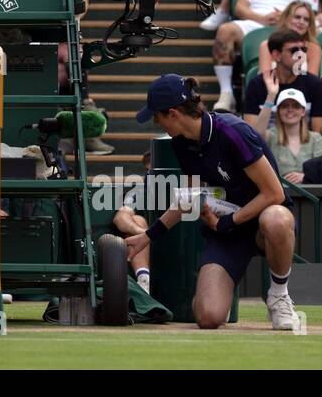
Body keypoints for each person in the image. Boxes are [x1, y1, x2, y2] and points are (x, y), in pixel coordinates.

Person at [126, 74, 300, 330]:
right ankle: (221, 292)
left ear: (173, 113)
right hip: (227, 231)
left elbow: (275, 194)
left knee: (276, 217)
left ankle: (278, 295)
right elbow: (190, 200)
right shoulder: (181, 144)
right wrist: (147, 237)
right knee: (208, 317)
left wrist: (227, 221)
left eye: (157, 117)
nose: (157, 123)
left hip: (261, 221)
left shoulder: (233, 131)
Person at [244, 30, 322, 135]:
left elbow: (318, 131)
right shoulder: (257, 85)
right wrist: (270, 97)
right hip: (268, 146)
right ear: (276, 55)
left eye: (303, 50)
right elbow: (251, 134)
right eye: (294, 50)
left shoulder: (314, 84)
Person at [265, 87, 322, 183]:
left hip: (311, 193)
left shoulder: (317, 139)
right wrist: (270, 97)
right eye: (285, 106)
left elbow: (321, 172)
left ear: (303, 111)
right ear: (278, 111)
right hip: (280, 194)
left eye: (295, 106)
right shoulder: (270, 136)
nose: (290, 109)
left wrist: (305, 176)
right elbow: (256, 135)